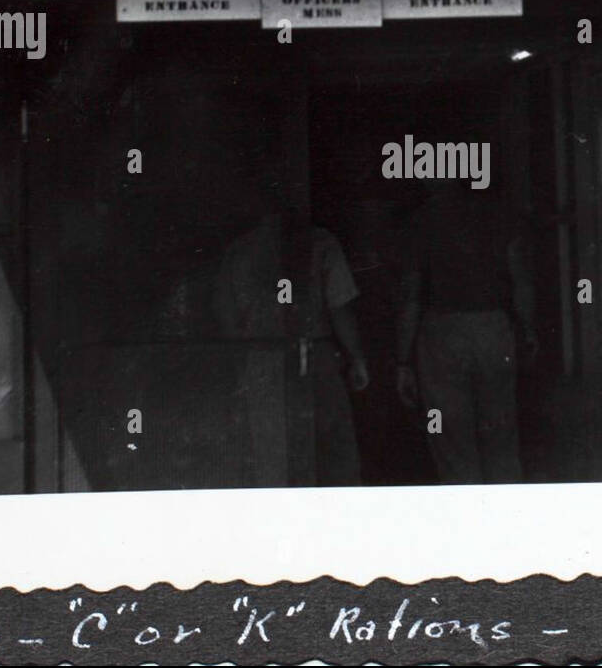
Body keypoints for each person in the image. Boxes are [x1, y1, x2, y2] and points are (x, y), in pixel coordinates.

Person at [215, 203, 369, 487]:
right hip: (309, 355)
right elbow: (339, 307)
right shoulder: (320, 242)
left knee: (273, 457)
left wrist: (243, 366)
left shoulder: (240, 251)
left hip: (266, 359)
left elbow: (229, 319)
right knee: (330, 456)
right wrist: (356, 357)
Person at [396, 177, 537, 484]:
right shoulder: (499, 216)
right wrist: (527, 330)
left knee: (452, 441)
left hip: (442, 333)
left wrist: (403, 360)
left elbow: (411, 296)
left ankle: (466, 514)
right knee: (500, 434)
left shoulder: (421, 221)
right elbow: (521, 282)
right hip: (493, 328)